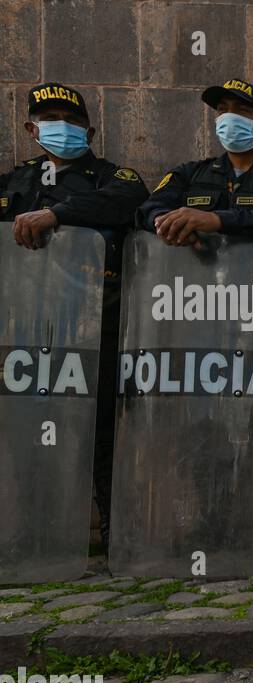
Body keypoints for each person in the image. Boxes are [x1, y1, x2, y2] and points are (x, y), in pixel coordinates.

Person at [137, 78, 253, 558]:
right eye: (223, 109)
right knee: (206, 429)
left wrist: (217, 221)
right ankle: (210, 527)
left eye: (242, 110)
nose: (230, 118)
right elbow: (148, 209)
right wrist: (173, 225)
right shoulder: (188, 175)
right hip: (202, 321)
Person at [1, 83, 148, 547]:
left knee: (102, 429)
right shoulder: (14, 182)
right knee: (25, 429)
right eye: (48, 118)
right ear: (30, 128)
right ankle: (33, 529)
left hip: (93, 321)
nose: (61, 126)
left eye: (71, 118)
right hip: (24, 326)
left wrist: (58, 215)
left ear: (88, 126)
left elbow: (127, 204)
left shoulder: (114, 177)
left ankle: (114, 529)